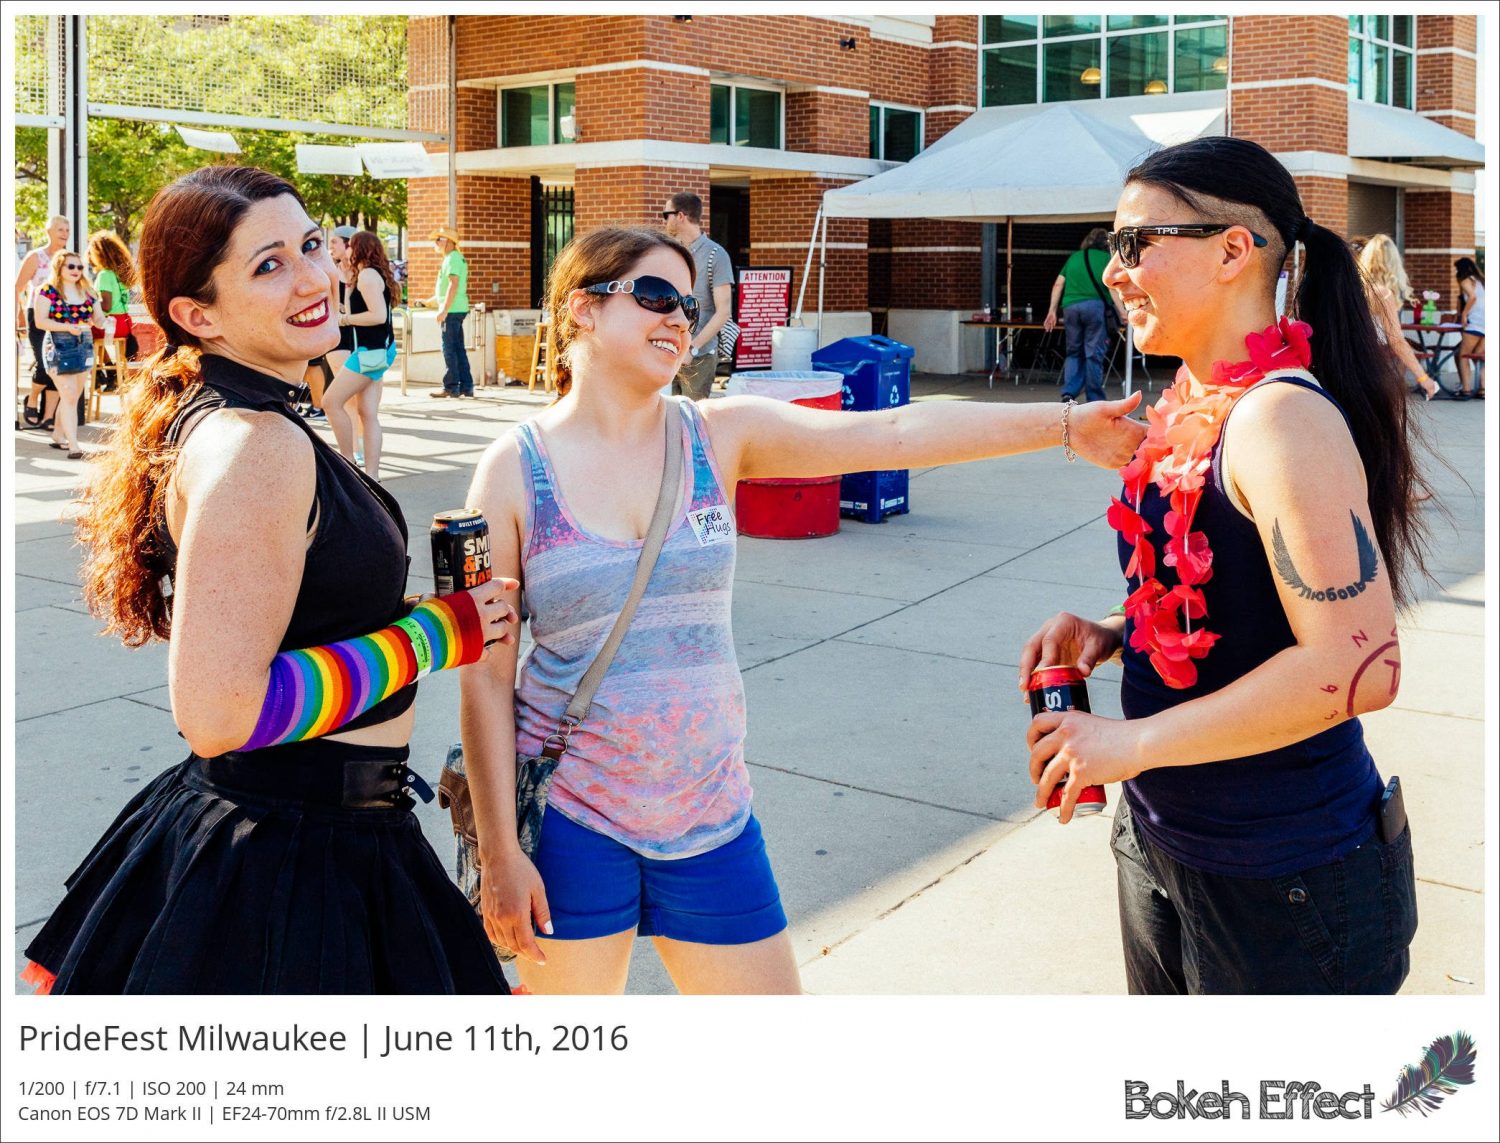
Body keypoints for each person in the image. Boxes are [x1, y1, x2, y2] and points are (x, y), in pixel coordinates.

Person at [459, 225, 1145, 995]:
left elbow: (891, 431)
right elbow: (485, 679)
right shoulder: (514, 473)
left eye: (688, 303)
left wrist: (1060, 426)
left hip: (711, 816)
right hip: (573, 822)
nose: (681, 318)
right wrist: (498, 856)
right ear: (583, 308)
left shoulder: (718, 435)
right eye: (655, 296)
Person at [20, 165, 518, 995]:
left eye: (312, 245)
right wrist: (436, 634)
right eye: (269, 264)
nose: (316, 277)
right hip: (292, 861)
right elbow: (221, 713)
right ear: (196, 314)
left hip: (319, 836)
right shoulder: (256, 443)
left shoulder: (255, 415)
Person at [1018, 136, 1427, 995]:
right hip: (1166, 837)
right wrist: (1114, 631)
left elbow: (1360, 665)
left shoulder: (1279, 418)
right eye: (1108, 245)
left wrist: (1129, 742)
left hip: (1285, 876)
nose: (1115, 270)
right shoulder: (1194, 397)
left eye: (1135, 244)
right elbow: (1232, 600)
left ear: (1233, 250)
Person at [325, 231, 398, 479]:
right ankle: (372, 475)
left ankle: (348, 464)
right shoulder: (366, 275)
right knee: (368, 413)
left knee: (331, 402)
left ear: (358, 248)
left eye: (349, 246)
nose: (345, 250)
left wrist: (345, 319)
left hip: (369, 353)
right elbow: (351, 305)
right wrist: (347, 281)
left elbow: (378, 315)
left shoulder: (367, 275)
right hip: (375, 352)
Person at [32, 249, 105, 459]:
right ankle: (74, 445)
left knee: (70, 396)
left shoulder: (89, 291)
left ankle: (58, 433)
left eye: (79, 266)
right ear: (59, 267)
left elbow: (98, 318)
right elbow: (40, 321)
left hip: (84, 345)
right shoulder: (47, 290)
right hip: (58, 345)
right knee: (70, 394)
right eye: (71, 266)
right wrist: (66, 327)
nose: (76, 270)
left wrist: (105, 321)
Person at [662, 192, 733, 400]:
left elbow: (724, 311)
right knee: (667, 416)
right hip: (671, 348)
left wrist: (692, 348)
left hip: (699, 355)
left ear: (680, 216)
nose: (664, 220)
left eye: (667, 214)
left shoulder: (715, 255)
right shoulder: (672, 252)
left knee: (693, 418)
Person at [1043, 227, 1124, 403]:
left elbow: (1058, 284)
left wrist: (1052, 311)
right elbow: (1111, 288)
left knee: (1073, 352)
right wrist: (1122, 311)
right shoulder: (1105, 259)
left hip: (1070, 308)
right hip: (1095, 308)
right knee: (1093, 353)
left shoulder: (1074, 258)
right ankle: (1094, 397)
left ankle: (1069, 393)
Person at [1354, 234, 1438, 401]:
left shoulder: (1353, 288)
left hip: (1347, 359)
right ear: (1393, 263)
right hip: (1371, 362)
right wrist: (1423, 378)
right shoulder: (1382, 294)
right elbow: (1396, 340)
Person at [13, 214, 71, 430]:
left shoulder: (68, 259)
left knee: (59, 366)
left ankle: (48, 417)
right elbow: (17, 288)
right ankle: (33, 398)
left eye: (67, 230)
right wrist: (16, 314)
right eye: (60, 230)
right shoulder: (35, 257)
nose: (65, 234)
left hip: (62, 319)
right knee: (44, 361)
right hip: (37, 315)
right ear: (49, 232)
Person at [425, 225, 472, 399]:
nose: (436, 243)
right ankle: (466, 386)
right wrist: (429, 301)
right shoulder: (455, 258)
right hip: (458, 308)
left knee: (449, 349)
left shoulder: (451, 258)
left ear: (449, 242)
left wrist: (444, 310)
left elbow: (453, 284)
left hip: (451, 311)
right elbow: (447, 289)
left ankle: (451, 387)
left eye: (439, 239)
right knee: (458, 348)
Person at [87, 229, 141, 363]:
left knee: (87, 334)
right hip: (124, 323)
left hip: (112, 324)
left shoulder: (105, 275)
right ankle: (112, 371)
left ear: (99, 254)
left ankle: (104, 370)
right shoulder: (120, 275)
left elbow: (106, 306)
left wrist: (88, 305)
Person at [1454, 256, 1485, 400]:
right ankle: (1483, 389)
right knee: (1480, 356)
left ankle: (1466, 390)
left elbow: (1472, 297)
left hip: (1475, 323)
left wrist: (1464, 315)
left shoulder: (1466, 280)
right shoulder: (1481, 281)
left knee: (1463, 355)